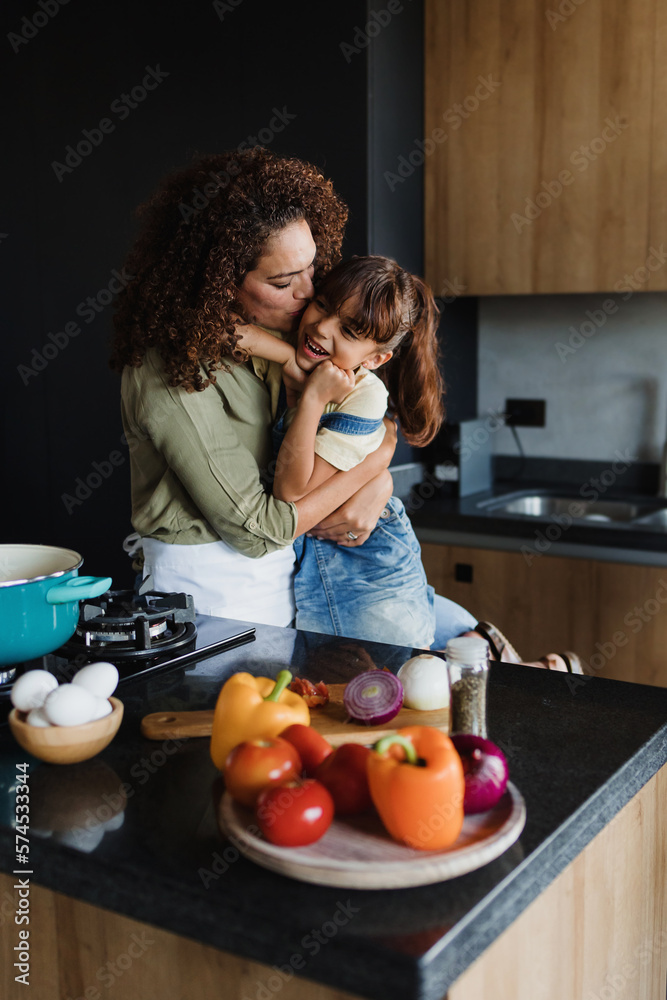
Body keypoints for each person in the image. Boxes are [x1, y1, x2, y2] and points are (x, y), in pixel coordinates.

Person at [110, 147, 579, 671]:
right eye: (284, 283)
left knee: (423, 640)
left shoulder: (282, 335)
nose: (309, 296)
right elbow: (260, 527)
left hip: (291, 577)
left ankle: (493, 658)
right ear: (218, 278)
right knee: (396, 671)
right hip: (219, 597)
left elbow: (358, 412)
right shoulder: (171, 370)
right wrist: (377, 464)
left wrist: (376, 453)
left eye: (312, 271)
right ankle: (494, 661)